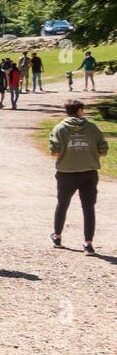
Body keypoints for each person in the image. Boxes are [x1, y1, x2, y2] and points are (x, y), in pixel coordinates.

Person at [49, 99, 108, 255]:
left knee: (62, 204)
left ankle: (57, 237)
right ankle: (88, 244)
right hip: (89, 172)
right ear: (80, 110)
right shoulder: (92, 128)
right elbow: (103, 150)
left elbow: (54, 151)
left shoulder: (59, 128)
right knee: (88, 208)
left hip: (66, 173)